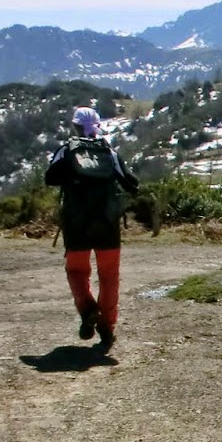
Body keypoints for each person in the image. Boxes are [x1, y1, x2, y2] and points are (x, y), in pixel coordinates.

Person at [45, 107, 139, 351]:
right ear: (97, 125)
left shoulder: (67, 150)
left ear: (74, 126)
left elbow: (50, 178)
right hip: (107, 224)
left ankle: (88, 309)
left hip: (76, 224)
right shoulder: (109, 151)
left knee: (77, 271)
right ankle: (107, 326)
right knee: (109, 277)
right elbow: (131, 183)